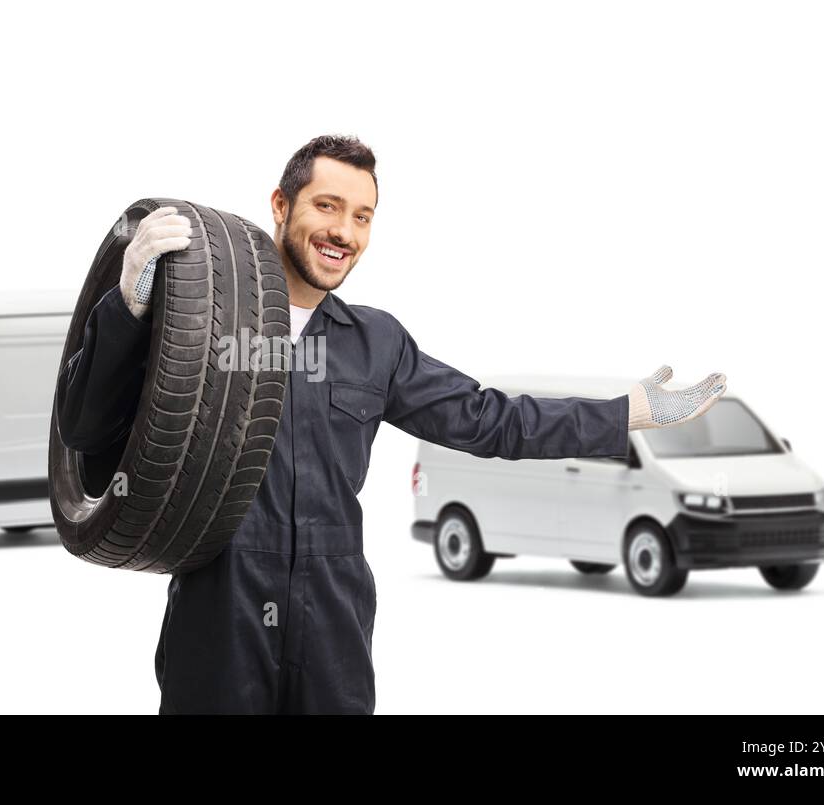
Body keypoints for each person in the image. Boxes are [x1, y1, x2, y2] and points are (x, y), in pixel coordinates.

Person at [57, 135, 726, 714]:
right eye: (327, 206)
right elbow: (87, 431)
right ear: (281, 206)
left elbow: (490, 419)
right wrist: (131, 302)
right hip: (220, 607)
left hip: (334, 617)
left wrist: (624, 413)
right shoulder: (192, 322)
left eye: (363, 216)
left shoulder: (375, 343)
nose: (344, 231)